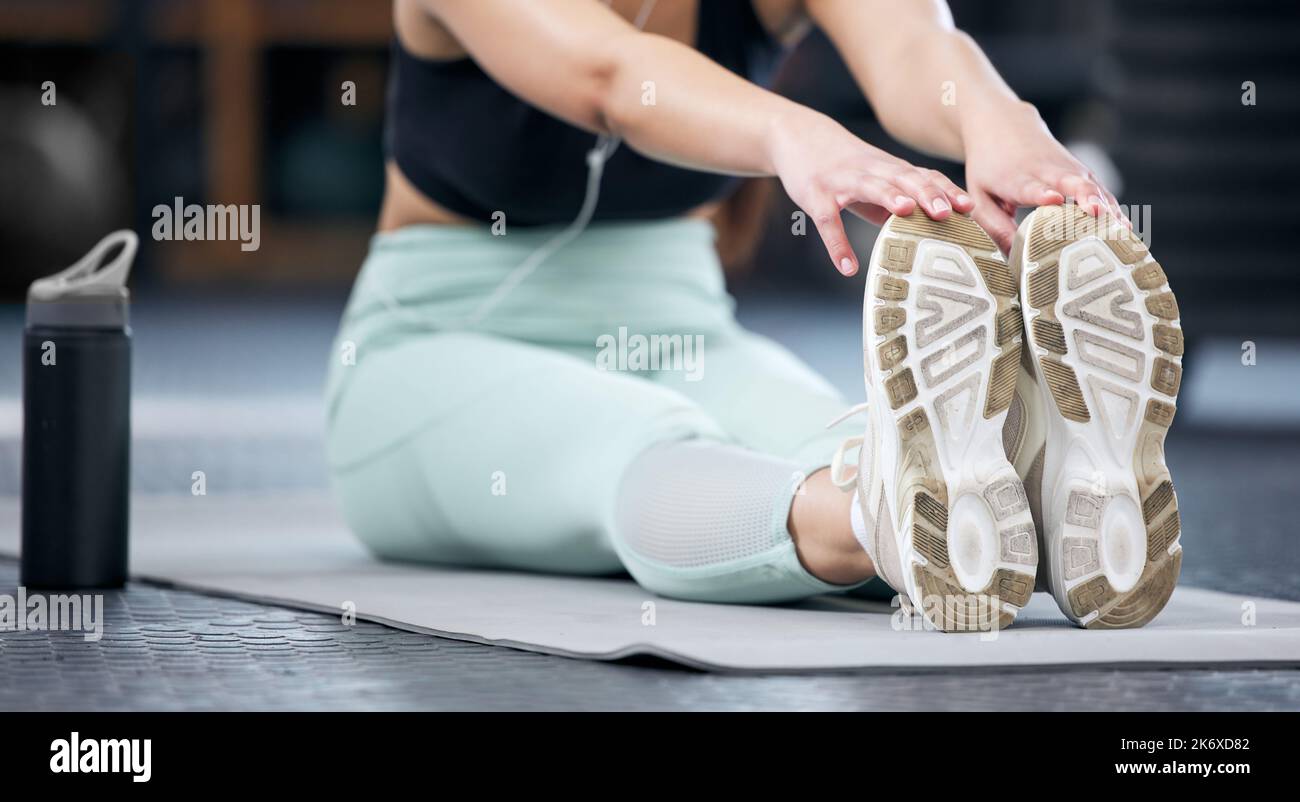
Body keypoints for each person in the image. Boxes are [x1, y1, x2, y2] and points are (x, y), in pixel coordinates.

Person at [325, 0, 1180, 632]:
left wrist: (996, 120)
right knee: (639, 441)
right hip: (435, 348)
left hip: (684, 329)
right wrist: (790, 135)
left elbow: (918, 42)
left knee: (850, 440)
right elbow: (611, 79)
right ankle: (875, 524)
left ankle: (1038, 489)